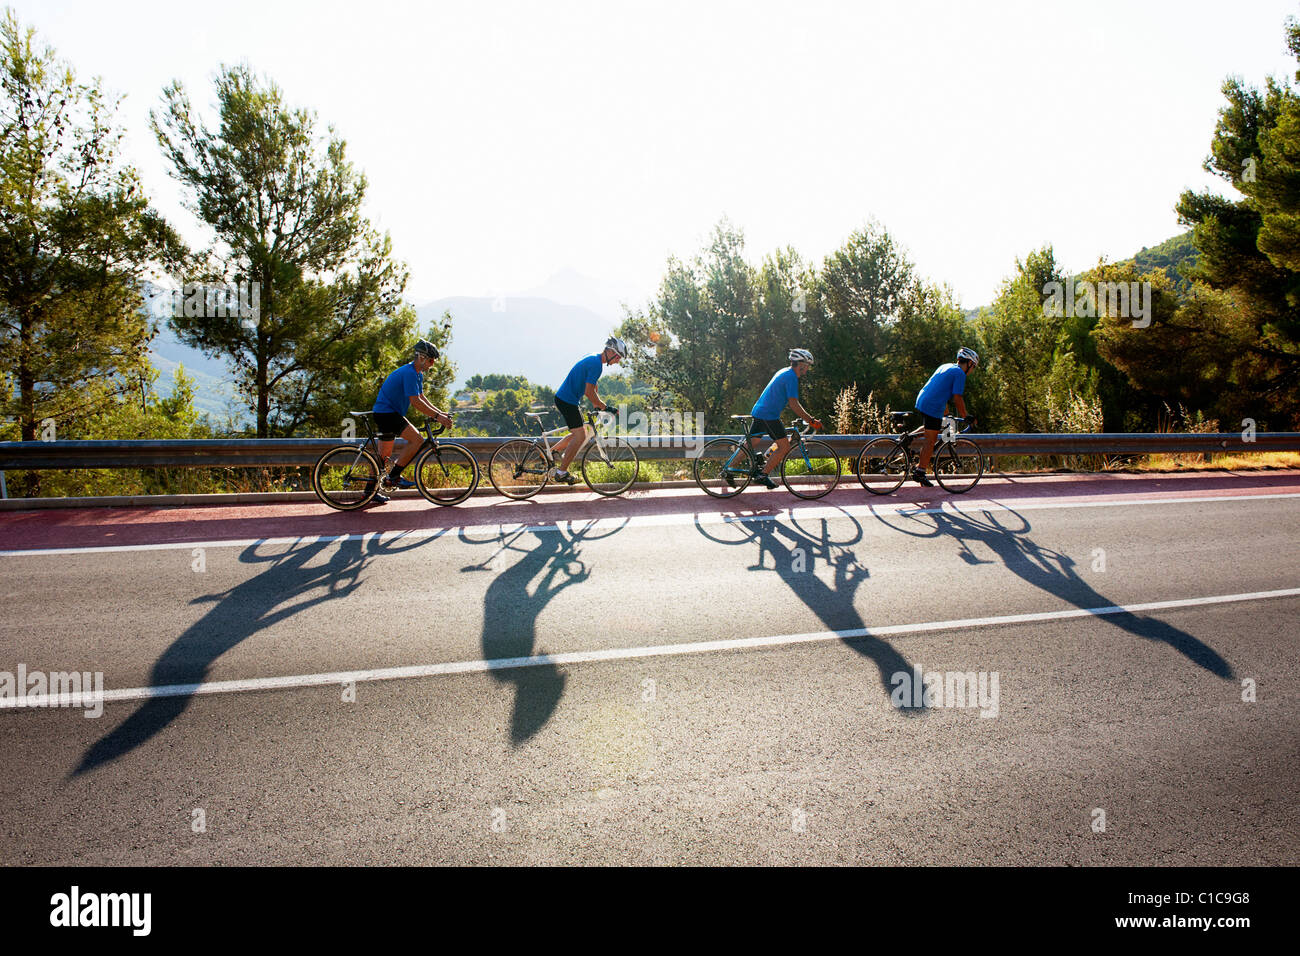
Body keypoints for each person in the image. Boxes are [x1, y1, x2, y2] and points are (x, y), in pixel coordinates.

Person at [370, 339, 454, 503]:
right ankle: (394, 476)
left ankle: (369, 492)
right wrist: (438, 417)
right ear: (422, 358)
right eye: (431, 360)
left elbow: (422, 397)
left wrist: (439, 413)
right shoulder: (409, 373)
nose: (432, 364)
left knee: (383, 457)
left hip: (386, 413)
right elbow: (415, 402)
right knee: (417, 440)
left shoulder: (417, 374)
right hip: (387, 413)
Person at [548, 337, 626, 484]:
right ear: (610, 352)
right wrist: (605, 407)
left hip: (567, 399)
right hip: (567, 400)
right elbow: (589, 392)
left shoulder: (594, 358)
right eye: (618, 357)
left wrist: (597, 404)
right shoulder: (597, 365)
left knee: (580, 431)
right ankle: (561, 473)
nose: (618, 361)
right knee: (580, 436)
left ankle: (549, 453)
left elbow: (593, 385)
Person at [744, 348, 822, 489]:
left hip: (760, 411)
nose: (807, 369)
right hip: (769, 415)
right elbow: (794, 404)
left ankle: (727, 470)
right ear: (801, 364)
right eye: (807, 365)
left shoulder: (784, 371)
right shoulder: (791, 377)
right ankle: (762, 475)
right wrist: (811, 420)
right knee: (784, 446)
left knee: (751, 443)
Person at [913, 347, 979, 487]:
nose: (973, 370)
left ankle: (908, 438)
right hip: (932, 404)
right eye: (974, 367)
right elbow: (957, 397)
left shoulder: (947, 366)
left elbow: (941, 392)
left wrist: (947, 414)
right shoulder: (960, 373)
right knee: (931, 440)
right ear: (969, 363)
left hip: (924, 399)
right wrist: (966, 416)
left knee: (934, 428)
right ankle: (920, 472)